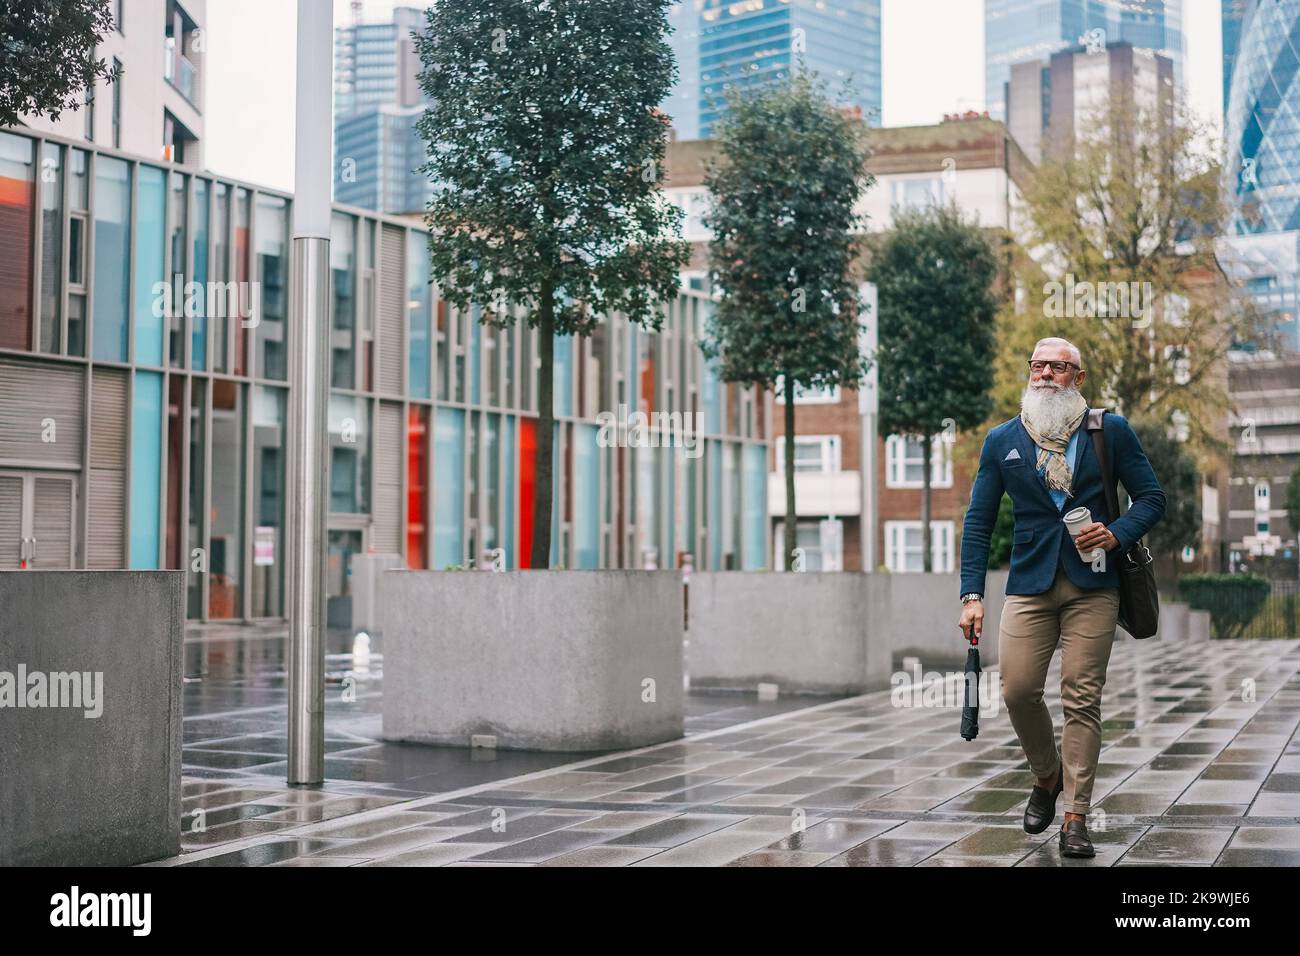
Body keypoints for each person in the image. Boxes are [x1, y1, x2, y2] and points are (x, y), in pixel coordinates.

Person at [957, 337, 1166, 858]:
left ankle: (1076, 816)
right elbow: (979, 520)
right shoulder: (1001, 439)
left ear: (1078, 376)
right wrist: (971, 593)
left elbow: (1153, 497)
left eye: (1058, 366)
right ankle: (1046, 776)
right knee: (1018, 690)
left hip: (1094, 586)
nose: (1046, 373)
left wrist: (1116, 533)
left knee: (1081, 697)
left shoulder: (1108, 430)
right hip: (1029, 583)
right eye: (1038, 365)